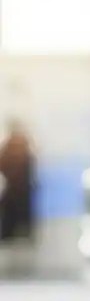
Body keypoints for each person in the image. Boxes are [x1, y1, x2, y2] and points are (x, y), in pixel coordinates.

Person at [0, 118, 36, 276]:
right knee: (21, 235)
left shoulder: (8, 148)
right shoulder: (26, 149)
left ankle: (15, 269)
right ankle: (21, 269)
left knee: (11, 234)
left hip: (13, 198)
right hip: (22, 198)